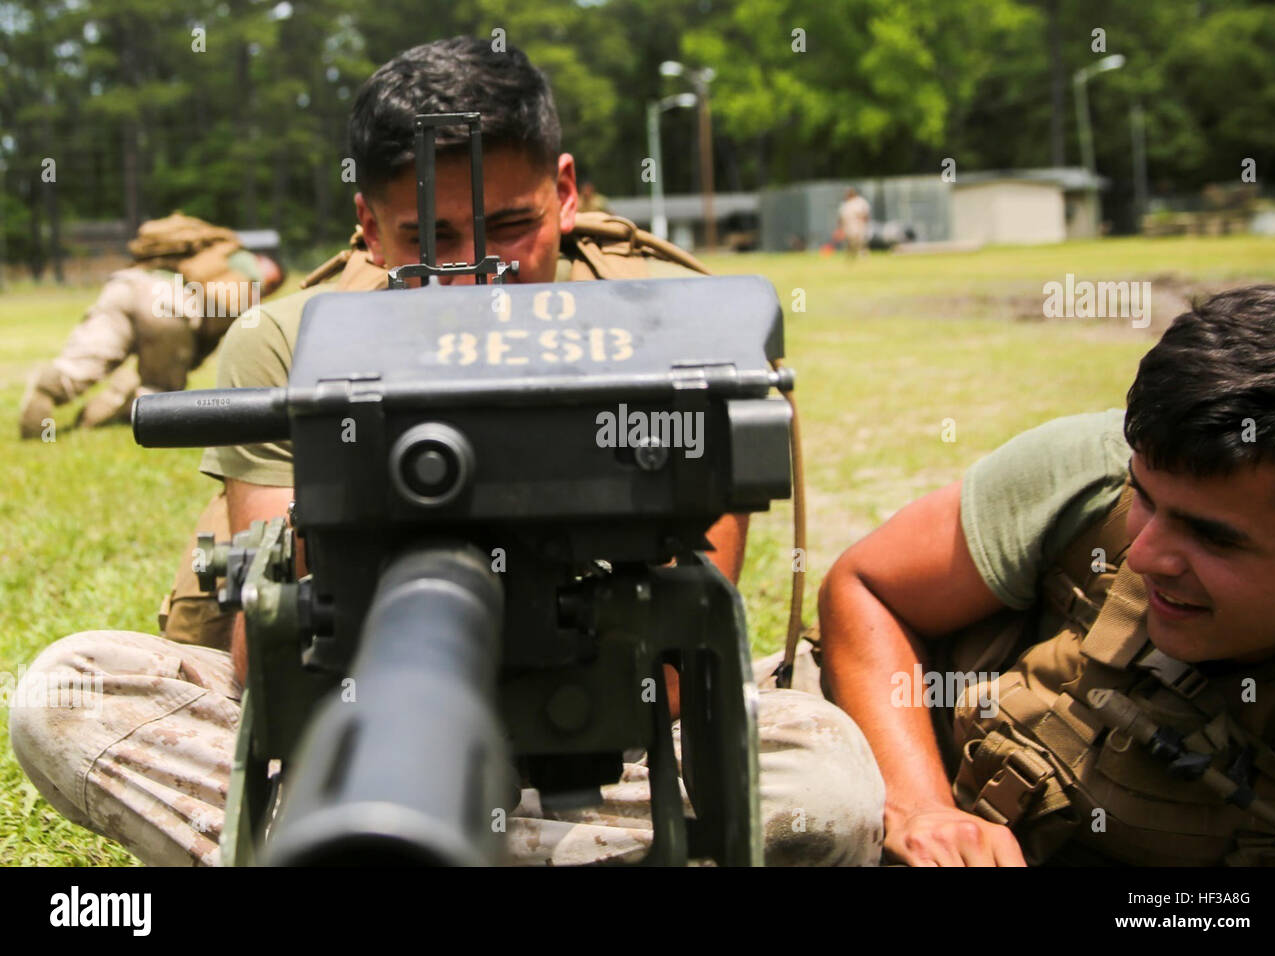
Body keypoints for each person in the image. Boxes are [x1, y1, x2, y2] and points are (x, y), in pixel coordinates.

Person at [10, 37, 884, 868]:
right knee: (70, 691)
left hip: (613, 734)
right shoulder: (291, 343)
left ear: (566, 190)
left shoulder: (679, 331)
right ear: (366, 222)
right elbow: (265, 667)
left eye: (510, 227)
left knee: (827, 780)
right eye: (431, 240)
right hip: (359, 714)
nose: (473, 275)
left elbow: (681, 667)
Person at [818, 284, 1275, 866]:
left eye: (1212, 536)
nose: (1144, 555)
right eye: (1143, 496)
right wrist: (920, 809)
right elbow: (868, 586)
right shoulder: (1091, 473)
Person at [17, 214, 283, 438]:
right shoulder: (244, 265)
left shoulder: (200, 253)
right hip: (169, 302)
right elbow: (219, 320)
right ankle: (106, 416)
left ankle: (48, 390)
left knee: (82, 363)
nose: (268, 288)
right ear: (262, 264)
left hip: (126, 285)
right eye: (271, 283)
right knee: (157, 393)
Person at [836, 187, 871, 259]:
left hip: (859, 225)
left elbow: (865, 214)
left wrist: (864, 224)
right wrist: (840, 229)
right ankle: (851, 257)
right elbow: (841, 218)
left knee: (861, 242)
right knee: (850, 243)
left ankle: (863, 256)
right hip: (848, 226)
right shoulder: (845, 204)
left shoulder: (860, 202)